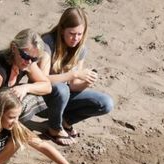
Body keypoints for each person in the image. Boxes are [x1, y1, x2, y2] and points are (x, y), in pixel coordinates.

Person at [38, 7, 114, 145]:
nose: (76, 38)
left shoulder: (80, 49)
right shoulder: (48, 42)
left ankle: (65, 122)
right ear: (62, 30)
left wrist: (86, 82)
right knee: (62, 89)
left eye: (80, 34)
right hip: (42, 101)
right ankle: (54, 129)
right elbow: (41, 79)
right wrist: (74, 74)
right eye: (72, 33)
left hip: (63, 99)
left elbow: (73, 86)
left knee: (106, 103)